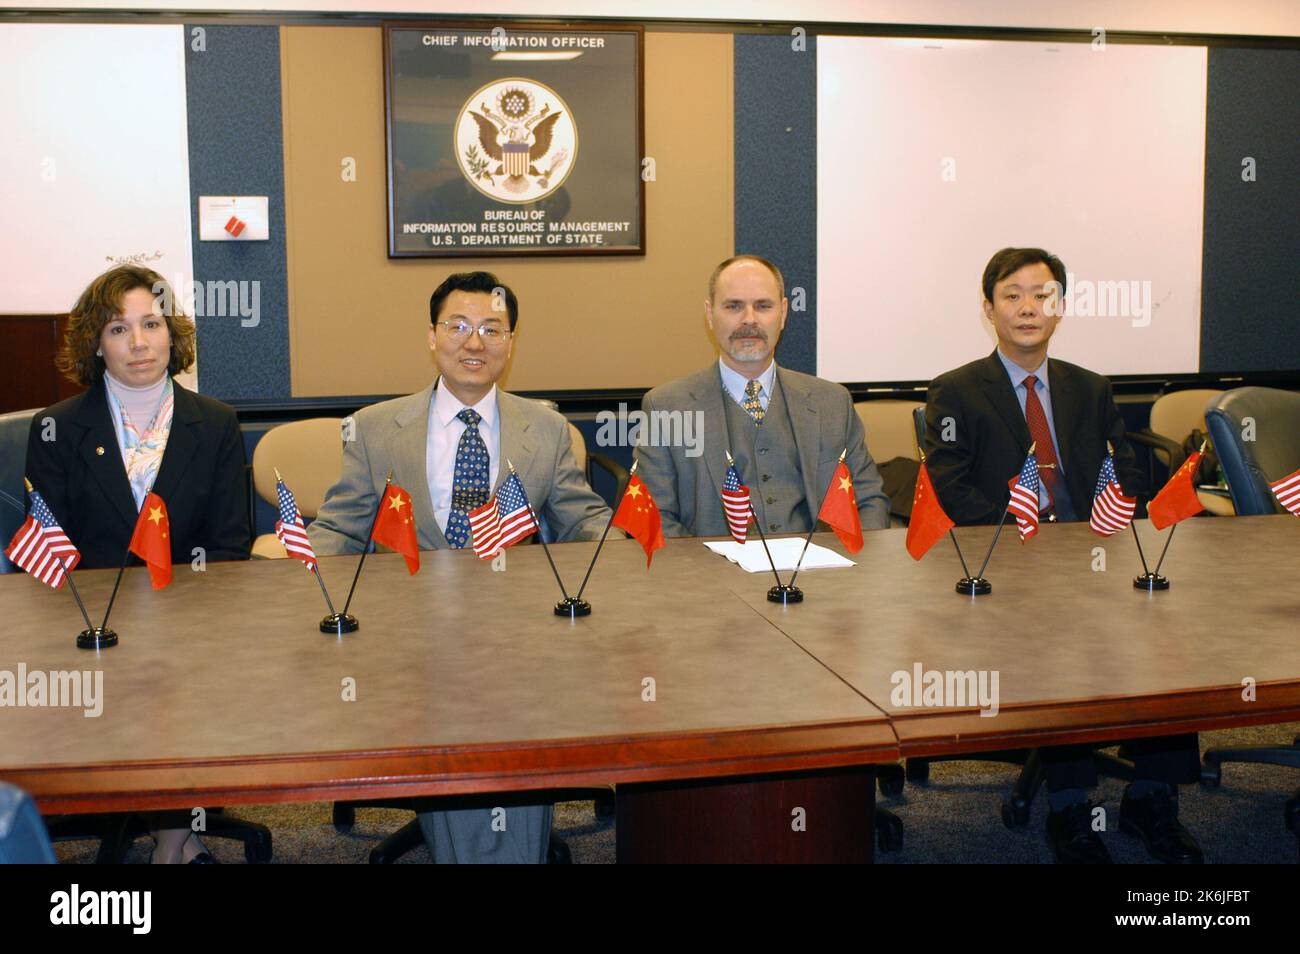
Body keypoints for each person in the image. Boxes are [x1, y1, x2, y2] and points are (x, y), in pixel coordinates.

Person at [308, 270, 610, 863]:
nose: (475, 342)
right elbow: (340, 526)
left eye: (492, 329)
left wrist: (635, 550)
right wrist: (292, 576)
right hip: (407, 628)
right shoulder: (376, 428)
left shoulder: (546, 430)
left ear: (511, 342)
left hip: (513, 628)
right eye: (459, 326)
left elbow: (584, 521)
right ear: (431, 336)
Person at [924, 247, 1202, 864]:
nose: (1028, 307)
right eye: (1012, 294)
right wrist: (1025, 538)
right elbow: (951, 490)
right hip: (1010, 563)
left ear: (1060, 307)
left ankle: (1151, 797)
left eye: (1042, 295)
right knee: (1061, 644)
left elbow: (1122, 469)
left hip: (1094, 552)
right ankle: (1071, 809)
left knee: (1169, 636)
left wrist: (1105, 521)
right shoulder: (956, 392)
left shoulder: (1090, 388)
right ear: (988, 308)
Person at [26, 264, 251, 863]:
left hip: (194, 618)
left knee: (176, 682)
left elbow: (230, 546)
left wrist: (186, 615)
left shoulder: (219, 423)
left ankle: (171, 843)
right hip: (90, 624)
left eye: (151, 324)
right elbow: (48, 547)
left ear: (172, 335)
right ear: (96, 344)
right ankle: (178, 838)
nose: (140, 343)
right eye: (119, 329)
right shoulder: (57, 428)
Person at [634, 254, 890, 538]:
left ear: (783, 313)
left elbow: (869, 502)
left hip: (821, 574)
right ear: (709, 314)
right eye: (733, 306)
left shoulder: (832, 403)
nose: (749, 320)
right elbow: (655, 518)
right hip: (712, 576)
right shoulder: (666, 407)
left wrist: (846, 568)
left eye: (763, 306)